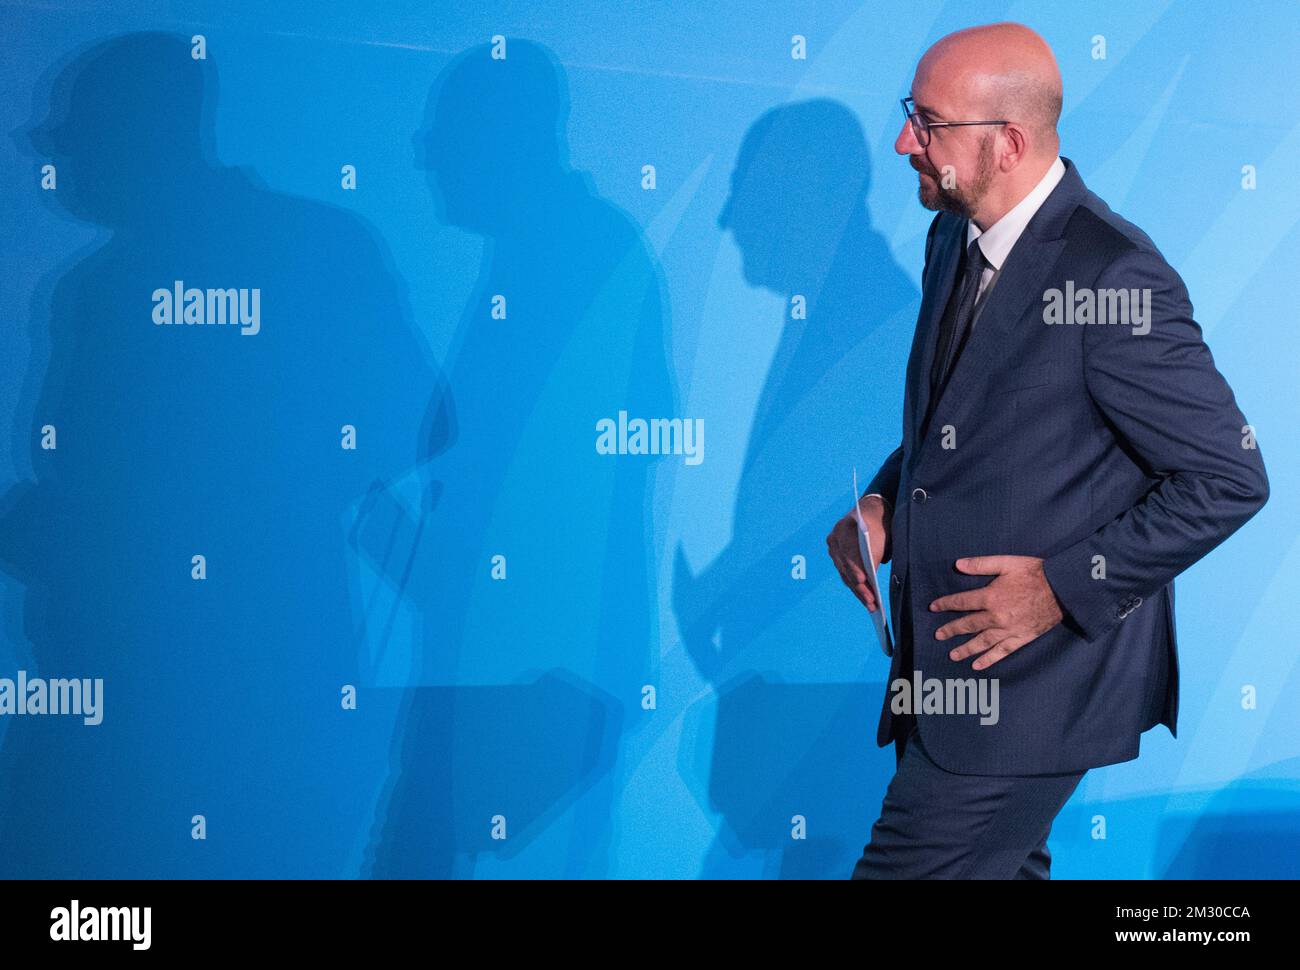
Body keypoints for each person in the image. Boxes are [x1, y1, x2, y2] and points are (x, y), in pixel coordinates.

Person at [825, 22, 1269, 879]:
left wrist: (1060, 590)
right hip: (943, 677)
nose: (903, 141)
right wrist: (885, 504)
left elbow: (1227, 476)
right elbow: (963, 420)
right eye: (908, 114)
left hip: (1029, 691)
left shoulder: (1115, 278)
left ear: (1008, 143)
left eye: (928, 122)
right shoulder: (951, 234)